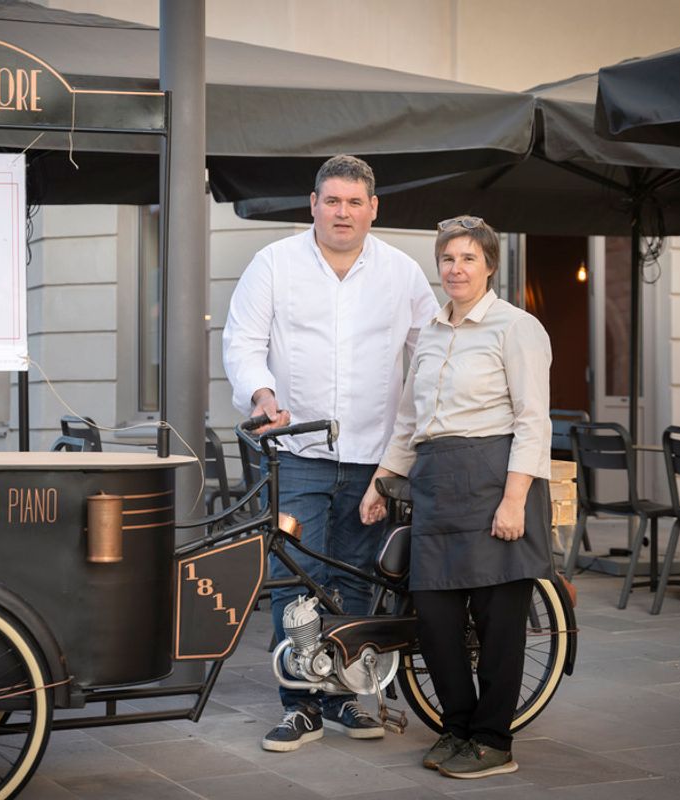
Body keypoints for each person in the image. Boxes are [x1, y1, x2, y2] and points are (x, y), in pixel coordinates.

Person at [223, 154, 440, 752]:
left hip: (375, 457)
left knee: (357, 580)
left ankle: (344, 695)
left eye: (354, 202)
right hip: (296, 450)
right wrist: (261, 392)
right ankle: (299, 705)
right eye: (332, 200)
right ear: (312, 204)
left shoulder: (402, 272)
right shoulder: (274, 263)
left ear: (373, 209)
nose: (342, 212)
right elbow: (242, 340)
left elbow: (430, 354)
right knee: (298, 577)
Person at [359, 216, 553, 779]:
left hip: (496, 481)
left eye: (469, 258)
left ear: (490, 265)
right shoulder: (429, 334)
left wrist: (515, 499)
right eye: (448, 258)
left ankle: (493, 740)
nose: (456, 268)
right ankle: (456, 728)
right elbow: (409, 421)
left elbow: (533, 422)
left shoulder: (517, 328)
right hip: (437, 486)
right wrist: (380, 481)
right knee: (436, 621)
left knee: (497, 623)